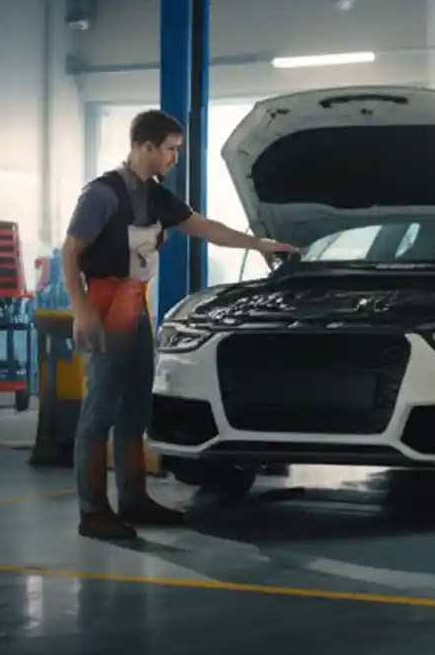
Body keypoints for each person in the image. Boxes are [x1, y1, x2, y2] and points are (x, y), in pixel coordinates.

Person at [63, 108, 297, 540]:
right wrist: (82, 310)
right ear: (144, 147)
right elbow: (70, 252)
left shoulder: (155, 196)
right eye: (170, 149)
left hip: (136, 304)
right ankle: (93, 511)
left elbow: (204, 227)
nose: (175, 157)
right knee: (100, 410)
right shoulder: (102, 195)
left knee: (135, 409)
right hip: (106, 303)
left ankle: (133, 499)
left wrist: (258, 243)